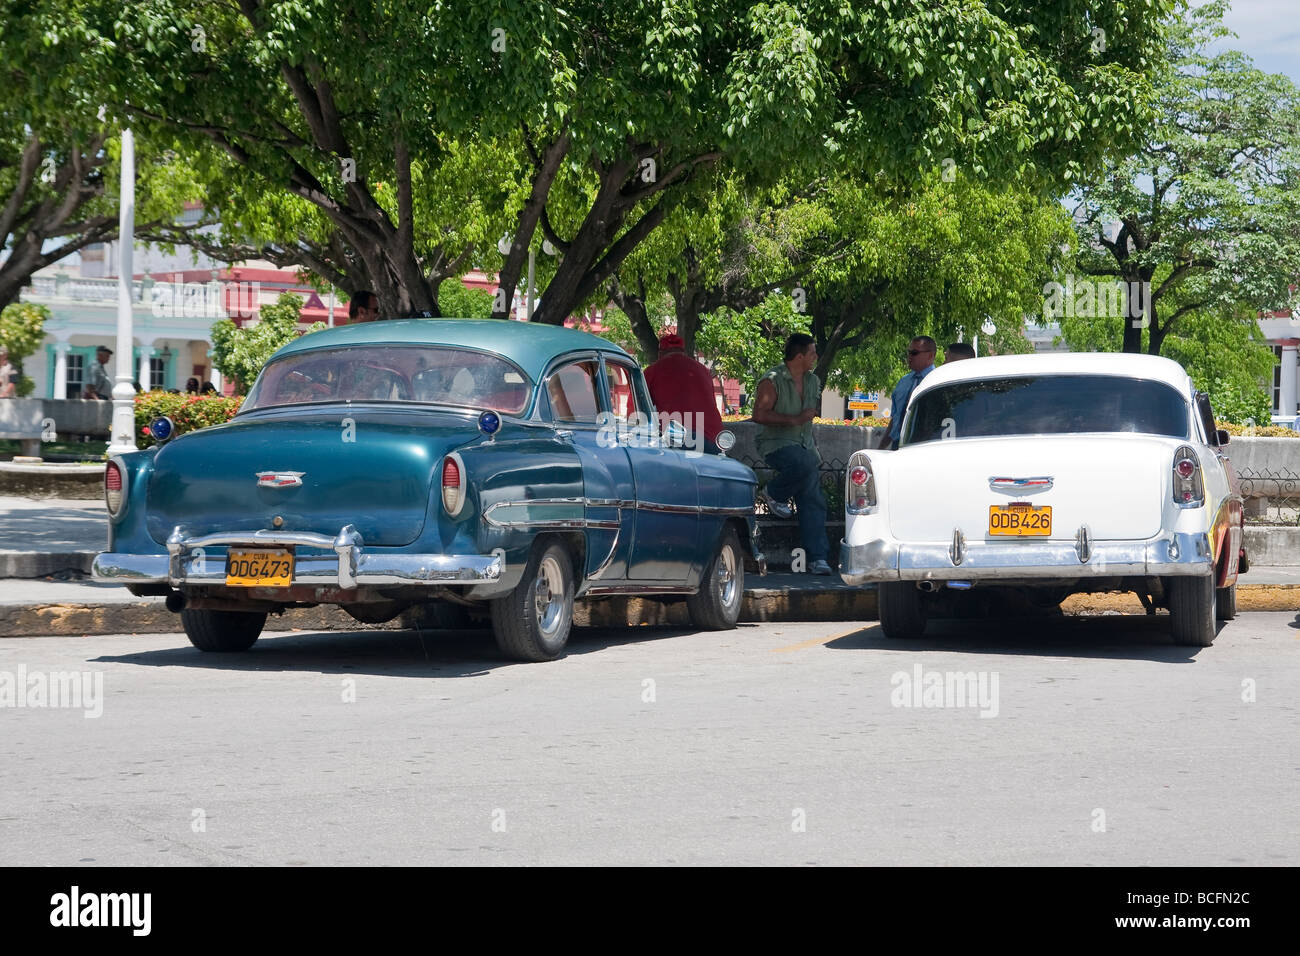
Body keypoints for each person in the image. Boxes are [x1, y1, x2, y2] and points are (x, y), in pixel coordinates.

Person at [752, 333, 832, 575]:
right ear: (799, 356)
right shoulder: (772, 380)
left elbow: (808, 419)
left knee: (812, 497)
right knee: (806, 464)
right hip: (775, 444)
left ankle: (818, 558)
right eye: (812, 353)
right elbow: (759, 415)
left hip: (804, 447)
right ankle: (773, 493)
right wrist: (794, 419)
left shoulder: (812, 381)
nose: (816, 357)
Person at [643, 332, 725, 454]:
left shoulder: (652, 371)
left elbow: (636, 409)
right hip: (712, 438)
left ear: (660, 354)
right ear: (684, 352)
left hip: (678, 437)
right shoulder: (703, 370)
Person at [888, 336, 937, 449]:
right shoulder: (903, 382)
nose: (909, 357)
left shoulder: (936, 381)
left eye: (914, 353)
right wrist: (882, 446)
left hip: (925, 446)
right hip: (897, 445)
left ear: (930, 355)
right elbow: (895, 419)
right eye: (909, 352)